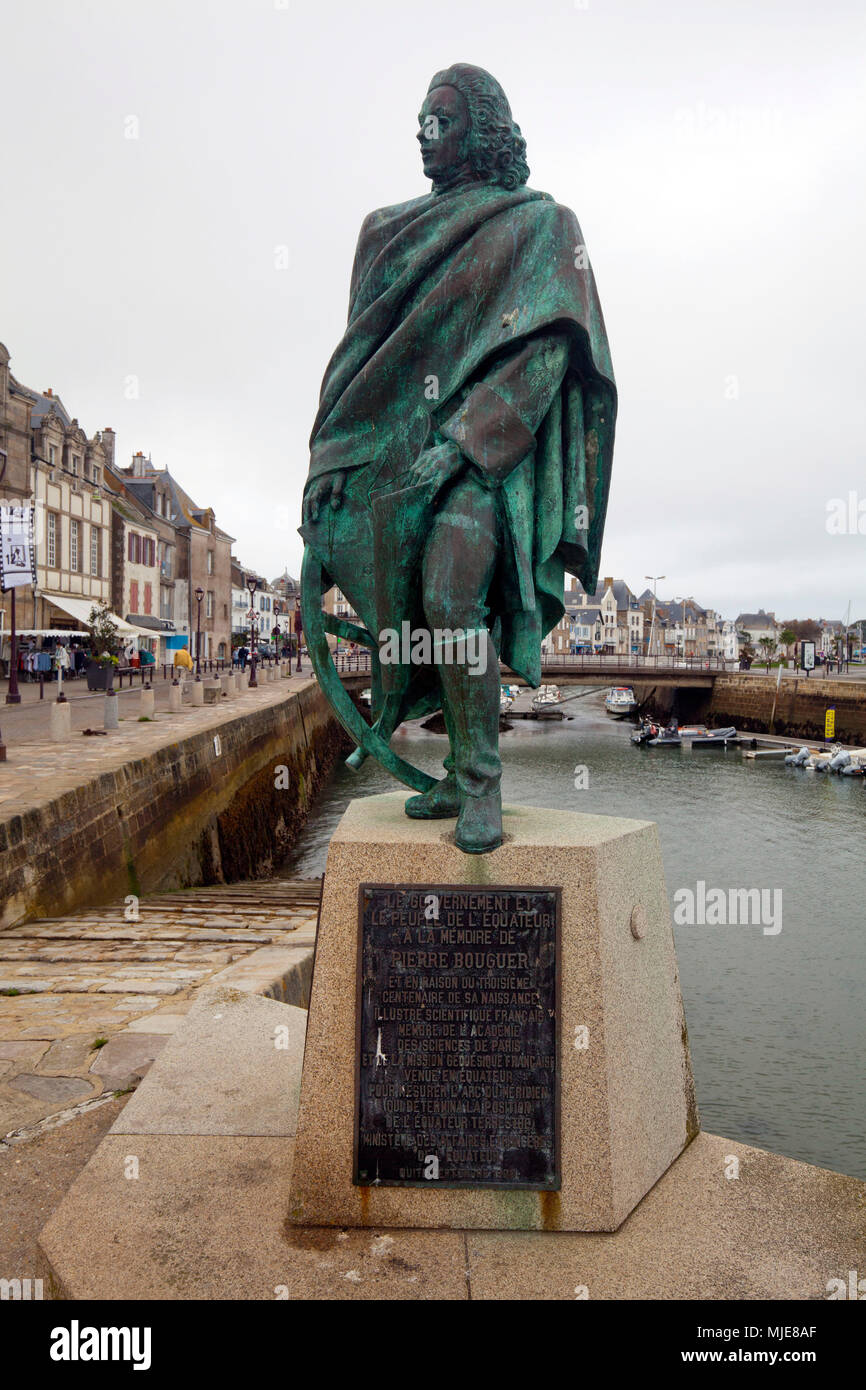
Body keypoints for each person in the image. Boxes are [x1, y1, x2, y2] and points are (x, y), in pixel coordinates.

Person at [301, 63, 615, 852]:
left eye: (441, 118)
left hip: (484, 463)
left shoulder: (544, 226)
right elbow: (357, 369)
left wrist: (470, 442)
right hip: (387, 459)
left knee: (449, 592)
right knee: (405, 608)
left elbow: (549, 352)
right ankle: (451, 769)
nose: (424, 131)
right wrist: (327, 463)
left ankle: (480, 782)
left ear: (483, 128)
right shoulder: (384, 231)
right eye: (420, 119)